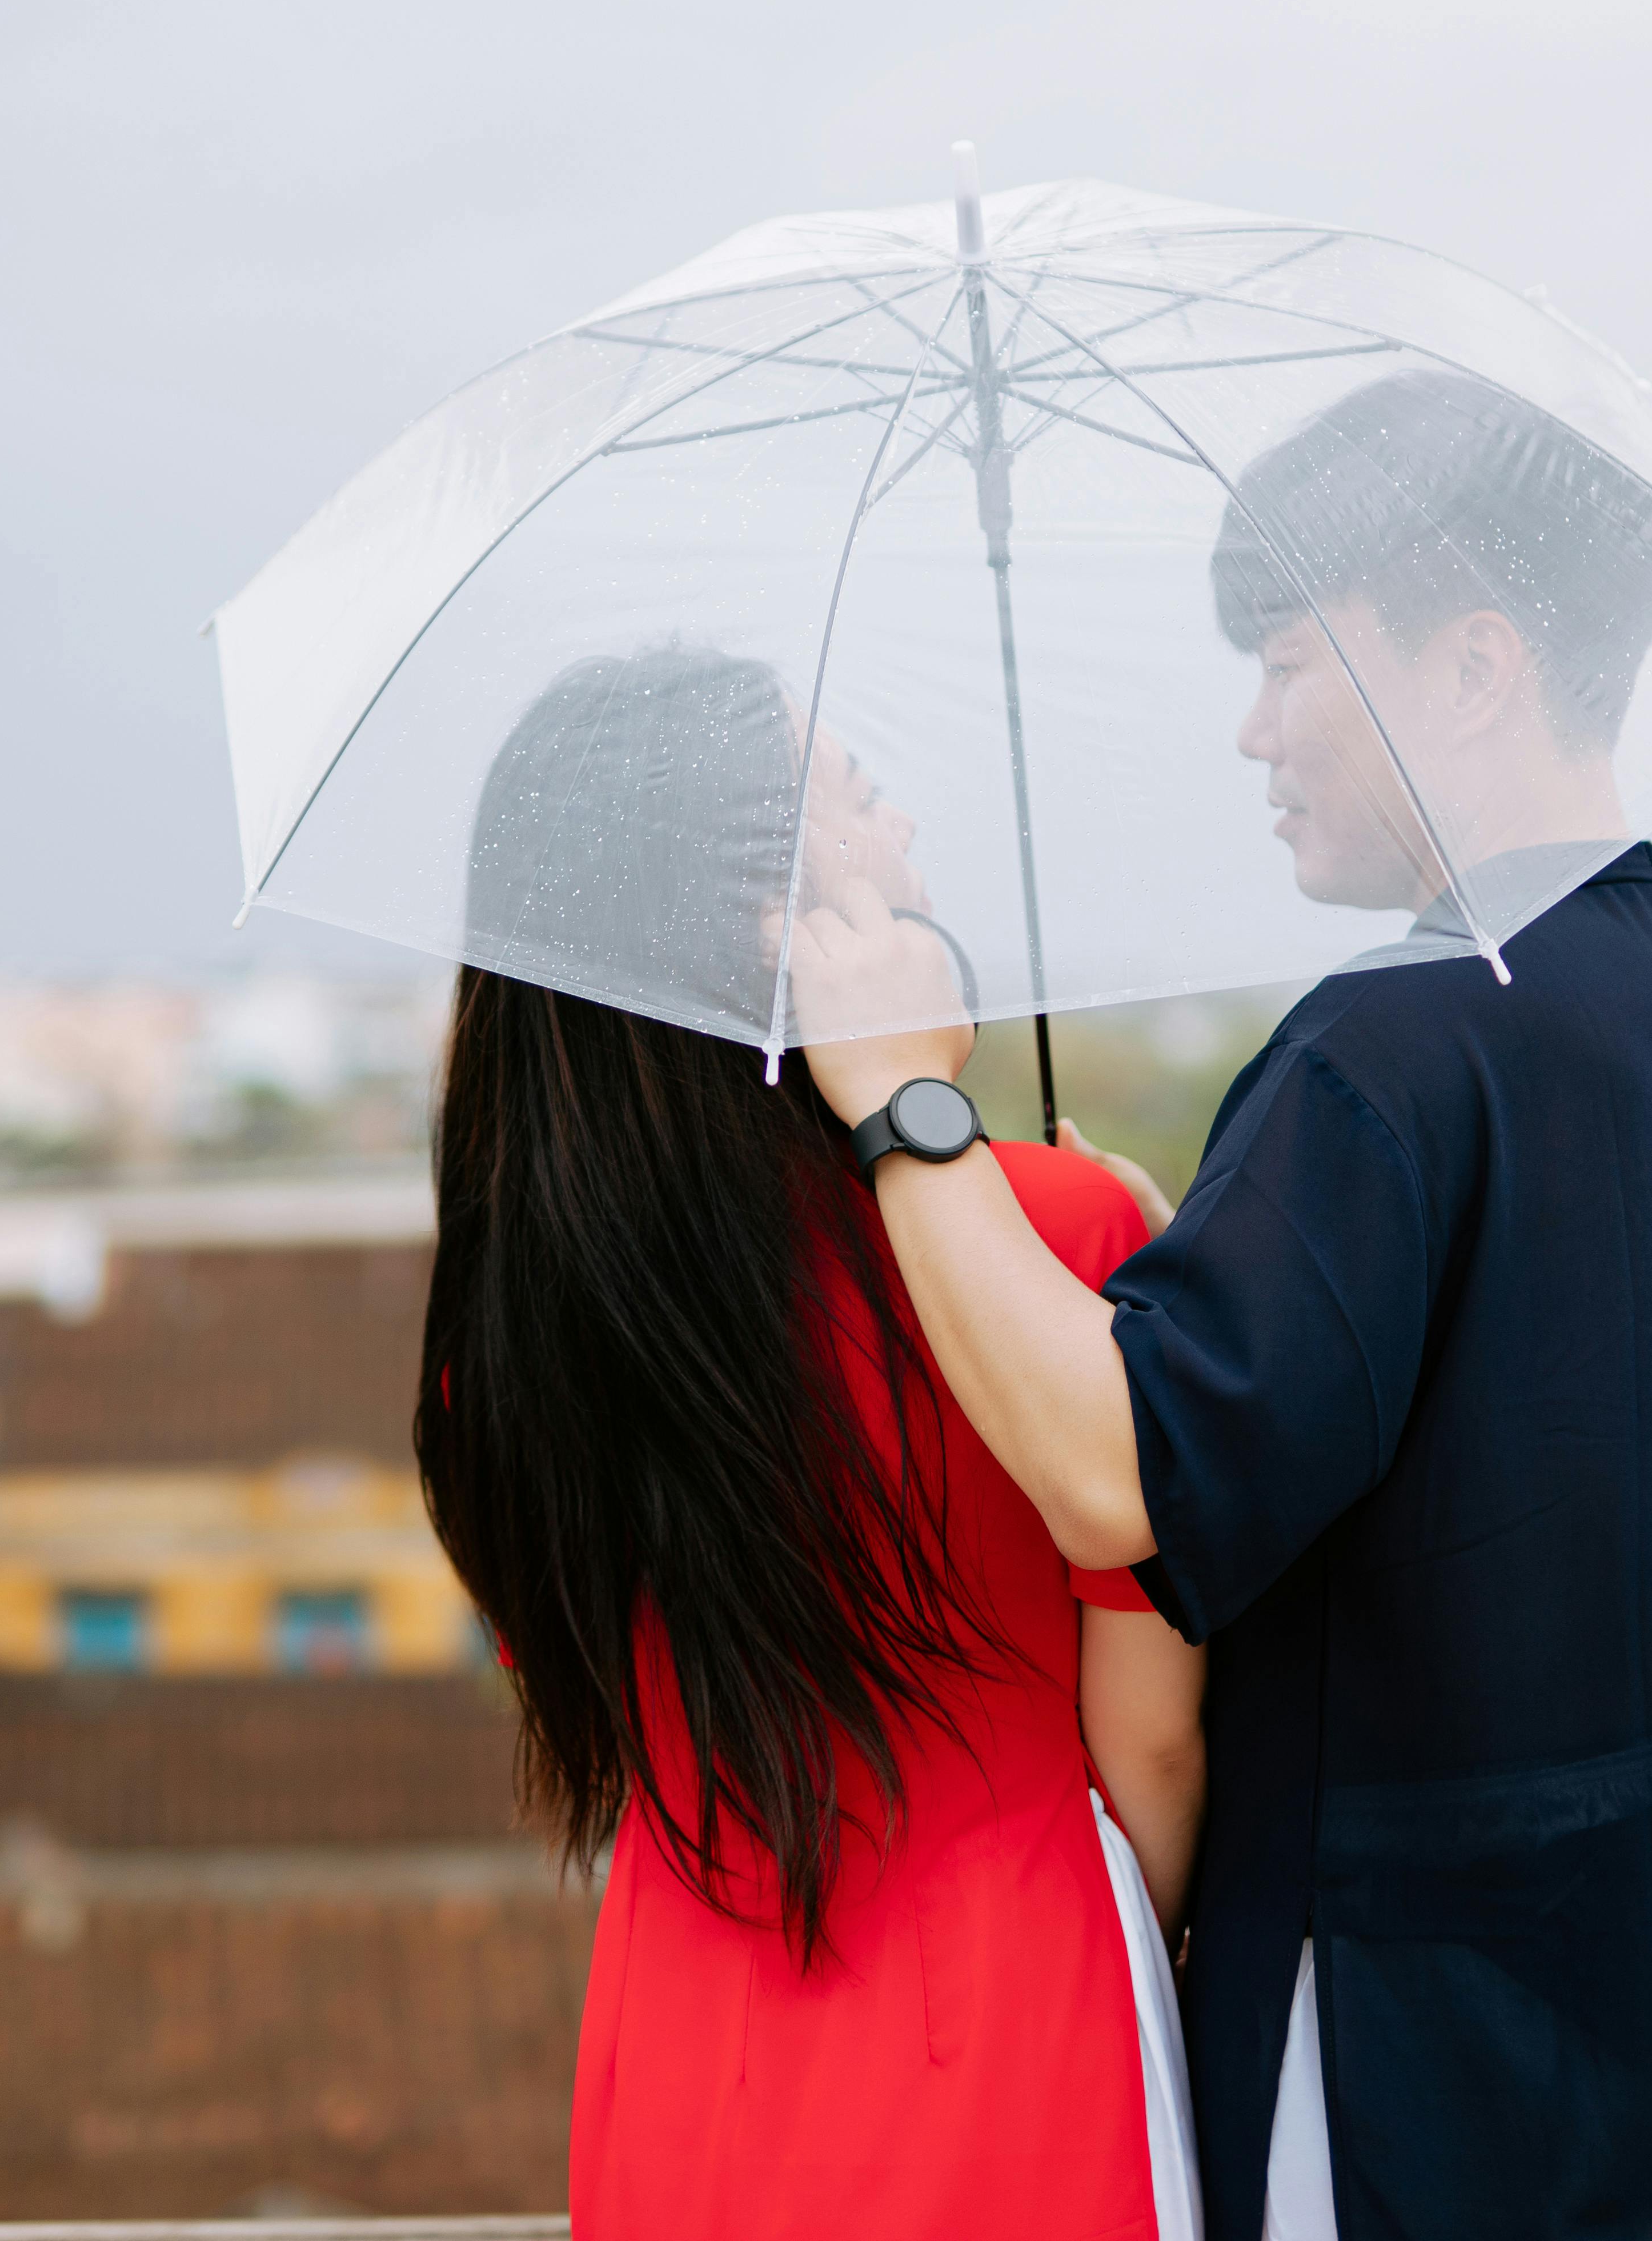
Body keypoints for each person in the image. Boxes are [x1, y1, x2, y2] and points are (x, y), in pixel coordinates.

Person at [791, 370, 1652, 2240]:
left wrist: (904, 1106)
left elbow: (1122, 1479)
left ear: (1475, 665)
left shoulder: (1393, 1047)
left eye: (1289, 664)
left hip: (1424, 2033)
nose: (1253, 733)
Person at [417, 644, 1208, 2241]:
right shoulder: (1064, 1240)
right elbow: (1159, 1752)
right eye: (853, 797)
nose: (904, 832)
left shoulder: (503, 1352)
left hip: (676, 2051)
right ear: (774, 924)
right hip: (1011, 2028)